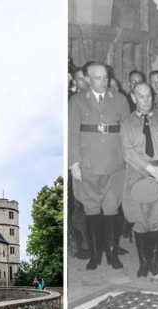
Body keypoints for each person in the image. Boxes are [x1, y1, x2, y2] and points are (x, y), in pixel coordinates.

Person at [68, 61, 130, 270]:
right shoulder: (76, 101)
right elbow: (72, 133)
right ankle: (95, 255)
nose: (103, 82)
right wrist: (74, 163)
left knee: (112, 208)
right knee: (92, 208)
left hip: (115, 163)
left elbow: (128, 132)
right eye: (97, 78)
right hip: (89, 163)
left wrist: (128, 160)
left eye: (105, 77)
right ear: (86, 79)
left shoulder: (120, 100)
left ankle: (112, 254)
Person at [121, 82, 158, 277]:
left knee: (157, 218)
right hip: (137, 173)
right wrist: (148, 167)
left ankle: (154, 262)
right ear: (133, 98)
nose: (146, 100)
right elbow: (128, 151)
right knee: (140, 219)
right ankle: (143, 262)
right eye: (141, 96)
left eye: (149, 96)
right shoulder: (127, 123)